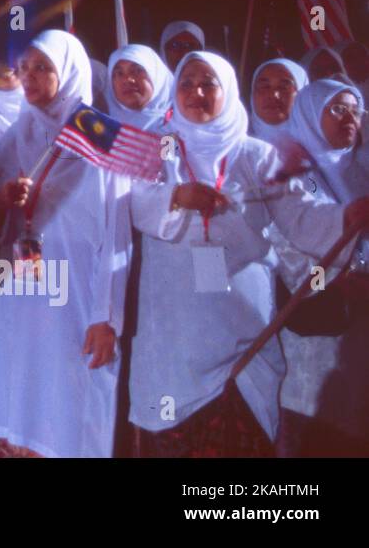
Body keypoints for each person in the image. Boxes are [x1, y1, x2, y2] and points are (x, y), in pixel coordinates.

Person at [126, 52, 369, 456]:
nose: (196, 92)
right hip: (174, 335)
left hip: (243, 329)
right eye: (186, 83)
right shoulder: (158, 147)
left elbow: (302, 218)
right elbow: (134, 204)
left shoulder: (257, 154)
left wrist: (345, 217)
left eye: (208, 83)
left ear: (228, 89)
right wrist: (176, 197)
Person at [0, 30, 129, 458]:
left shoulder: (99, 135)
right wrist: (2, 201)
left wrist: (107, 318)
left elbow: (117, 233)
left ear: (67, 72)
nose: (29, 77)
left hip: (79, 297)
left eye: (43, 67)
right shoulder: (18, 133)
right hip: (24, 293)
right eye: (24, 67)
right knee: (22, 390)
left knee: (71, 397)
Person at [270, 79, 369, 456]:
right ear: (311, 113)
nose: (349, 118)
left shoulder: (359, 170)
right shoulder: (293, 171)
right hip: (314, 323)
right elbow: (286, 242)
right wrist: (338, 280)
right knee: (312, 429)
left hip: (358, 334)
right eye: (337, 109)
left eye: (354, 110)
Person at [107, 44, 173, 132]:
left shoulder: (181, 125)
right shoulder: (102, 130)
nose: (128, 80)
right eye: (119, 73)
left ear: (157, 75)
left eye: (137, 70)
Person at [249, 58, 308, 147]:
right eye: (264, 86)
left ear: (302, 93)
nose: (273, 95)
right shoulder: (232, 146)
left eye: (283, 87)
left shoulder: (316, 150)